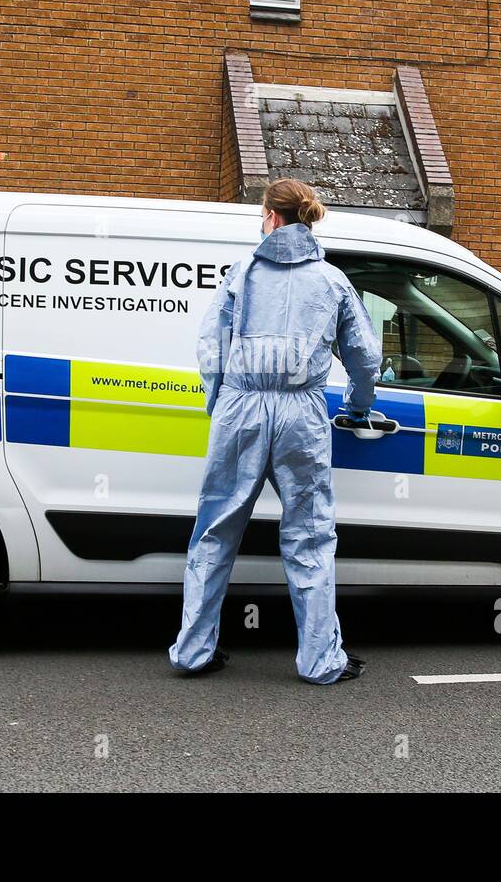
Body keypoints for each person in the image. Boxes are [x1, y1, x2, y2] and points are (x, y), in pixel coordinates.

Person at [168, 179, 382, 684]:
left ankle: (193, 651)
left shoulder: (241, 275)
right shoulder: (332, 282)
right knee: (309, 537)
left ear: (271, 217)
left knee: (215, 531)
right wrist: (355, 406)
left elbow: (211, 348)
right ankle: (319, 660)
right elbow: (366, 358)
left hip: (241, 405)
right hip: (301, 414)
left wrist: (219, 403)